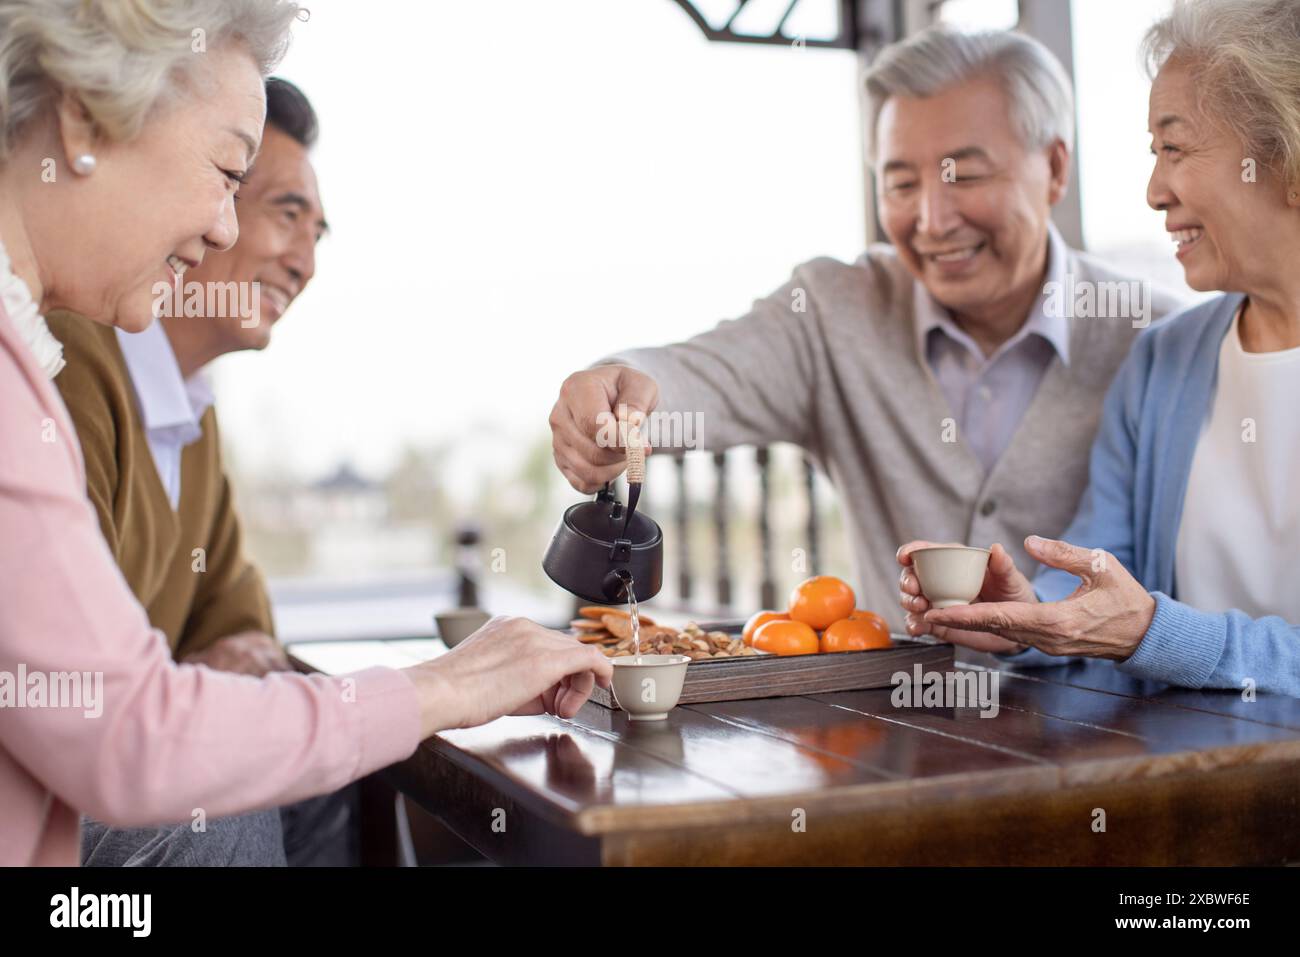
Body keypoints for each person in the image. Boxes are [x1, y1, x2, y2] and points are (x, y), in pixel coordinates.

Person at [0, 0, 609, 867]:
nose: (220, 226)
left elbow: (211, 647)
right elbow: (132, 731)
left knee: (301, 771)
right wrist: (447, 684)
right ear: (81, 118)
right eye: (227, 173)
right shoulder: (38, 370)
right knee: (218, 804)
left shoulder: (58, 367)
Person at [548, 26, 1184, 625]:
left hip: (1116, 732)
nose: (932, 219)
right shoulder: (835, 310)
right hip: (893, 727)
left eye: (964, 175)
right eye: (900, 183)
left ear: (1055, 168)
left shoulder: (1157, 337)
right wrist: (616, 388)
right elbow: (692, 375)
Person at [898, 0, 1300, 698]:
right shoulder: (1164, 360)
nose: (1153, 190)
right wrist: (1030, 616)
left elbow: (1144, 625)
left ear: (1289, 154)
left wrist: (1157, 633)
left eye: (1175, 148)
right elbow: (1106, 570)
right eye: (1154, 154)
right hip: (1192, 787)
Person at [46, 76, 352, 866]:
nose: (306, 262)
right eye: (289, 214)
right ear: (211, 196)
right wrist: (190, 676)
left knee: (330, 770)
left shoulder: (192, 410)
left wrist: (207, 665)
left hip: (112, 758)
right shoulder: (69, 353)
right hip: (43, 786)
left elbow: (238, 616)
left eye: (321, 232)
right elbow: (76, 677)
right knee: (216, 804)